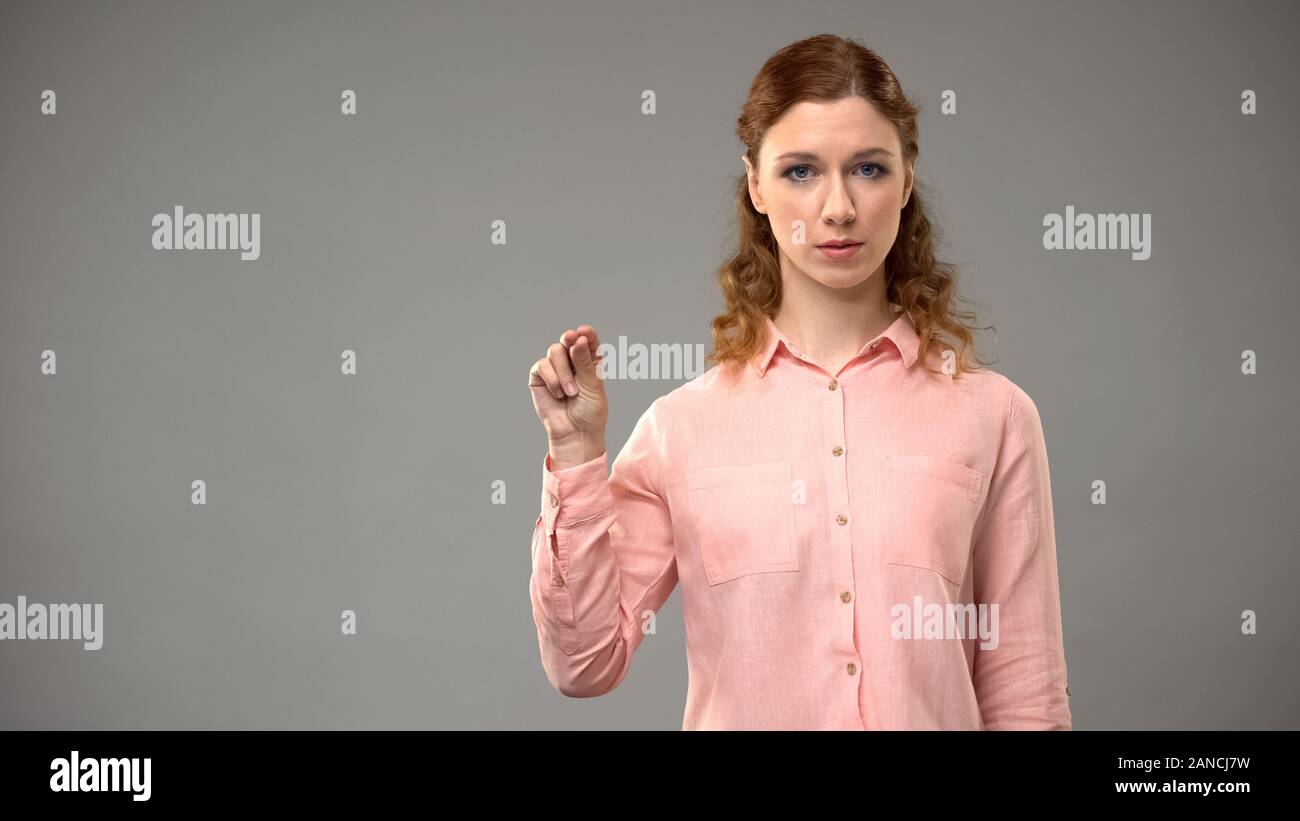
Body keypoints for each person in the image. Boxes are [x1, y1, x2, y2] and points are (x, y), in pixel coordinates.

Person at [526, 33, 1071, 730]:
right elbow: (583, 664)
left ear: (907, 179)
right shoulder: (680, 429)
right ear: (755, 184)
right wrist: (575, 456)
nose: (838, 207)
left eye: (869, 169)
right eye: (801, 172)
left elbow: (1025, 695)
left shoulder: (994, 416)